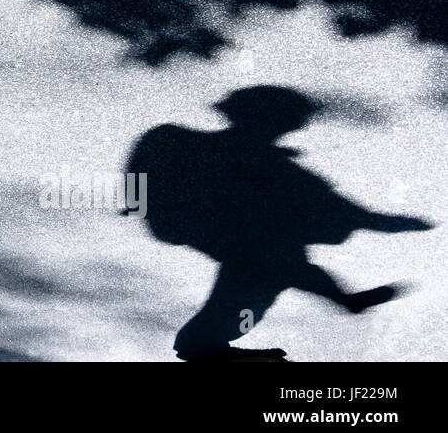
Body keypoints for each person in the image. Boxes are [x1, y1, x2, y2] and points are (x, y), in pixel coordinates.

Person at [127, 85, 433, 361]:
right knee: (274, 261)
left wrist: (388, 222)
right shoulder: (185, 143)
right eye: (277, 123)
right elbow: (333, 207)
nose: (278, 130)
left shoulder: (275, 166)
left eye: (282, 125)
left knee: (277, 264)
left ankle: (212, 338)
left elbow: (332, 206)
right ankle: (209, 339)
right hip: (204, 224)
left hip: (234, 236)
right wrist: (145, 207)